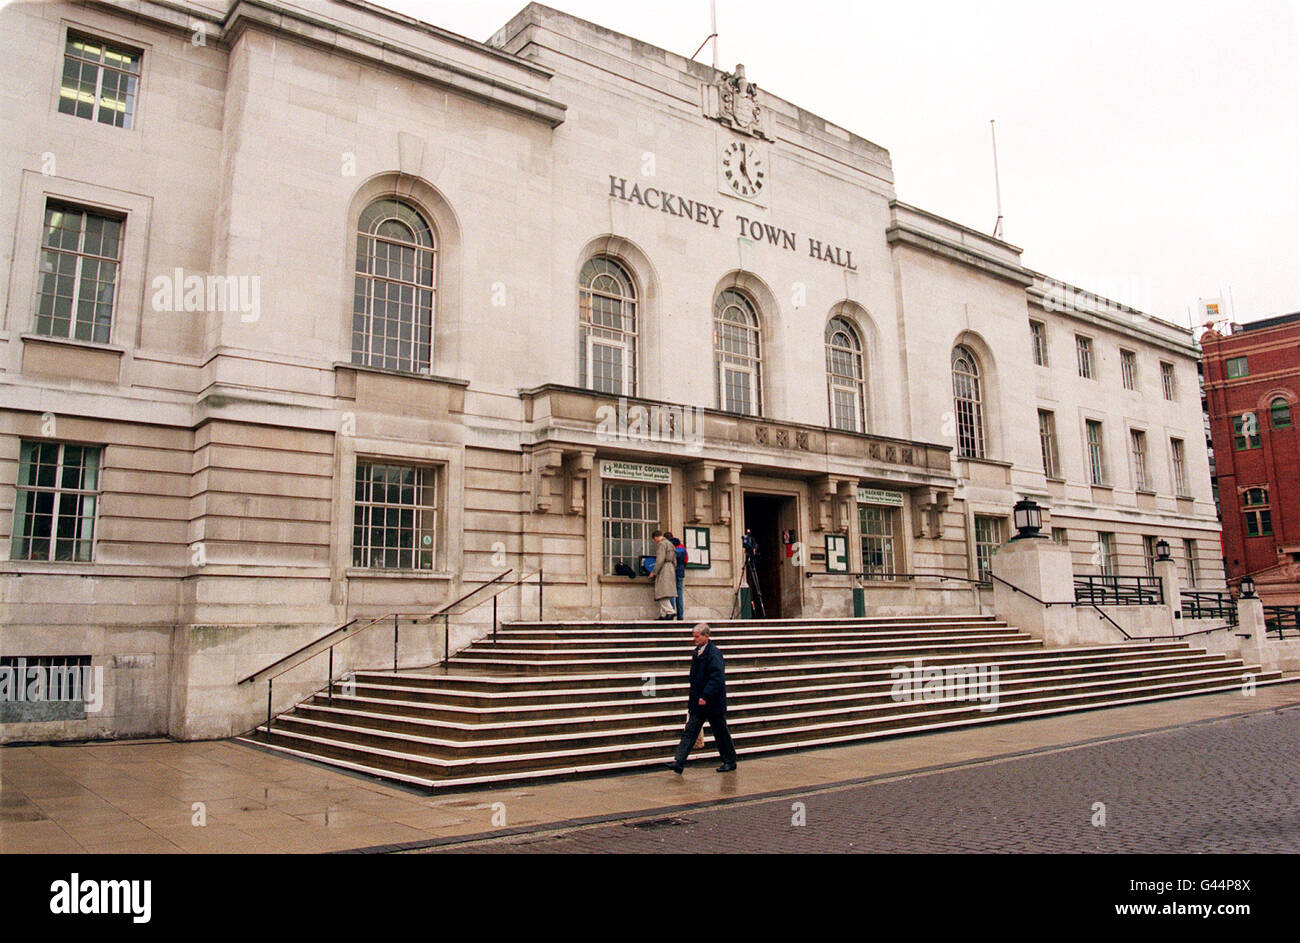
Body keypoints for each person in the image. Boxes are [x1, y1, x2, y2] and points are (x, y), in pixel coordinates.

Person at [667, 623, 738, 773]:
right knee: (690, 731)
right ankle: (679, 761)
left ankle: (730, 761)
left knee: (720, 733)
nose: (694, 639)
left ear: (706, 636)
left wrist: (706, 695)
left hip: (712, 702)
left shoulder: (714, 653)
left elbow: (717, 677)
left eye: (697, 636)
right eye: (694, 636)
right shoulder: (697, 652)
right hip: (698, 702)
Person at [650, 530, 677, 620]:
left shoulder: (662, 544)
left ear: (656, 537)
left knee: (661, 592)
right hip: (670, 568)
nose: (655, 541)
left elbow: (660, 559)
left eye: (654, 539)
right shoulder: (670, 544)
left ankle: (670, 611)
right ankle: (663, 614)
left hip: (664, 568)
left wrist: (654, 572)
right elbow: (675, 560)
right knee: (666, 592)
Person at [667, 532, 687, 621]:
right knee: (679, 594)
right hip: (681, 572)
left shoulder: (670, 547)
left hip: (672, 571)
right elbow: (686, 559)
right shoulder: (682, 547)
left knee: (671, 593)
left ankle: (671, 612)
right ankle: (680, 615)